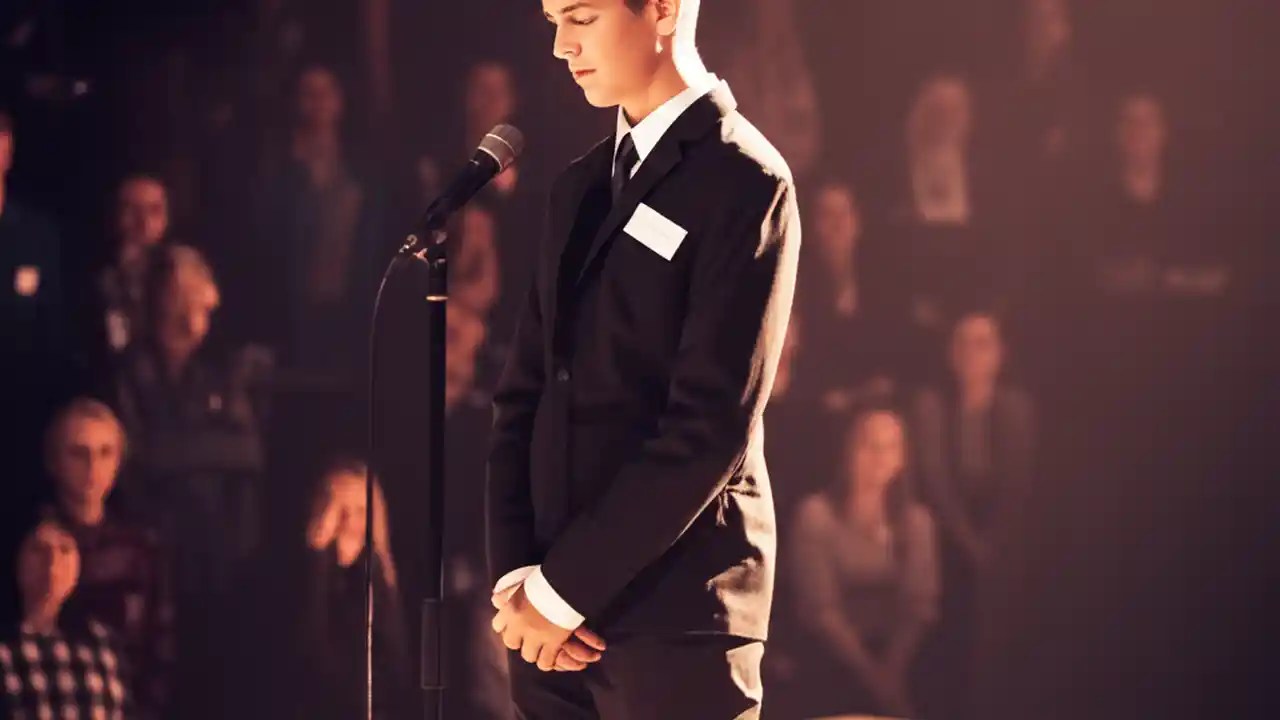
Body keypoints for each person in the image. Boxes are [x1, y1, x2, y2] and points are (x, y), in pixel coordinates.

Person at [486, 1, 800, 716]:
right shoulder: (578, 187)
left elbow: (708, 428)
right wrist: (517, 584)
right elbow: (522, 399)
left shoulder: (745, 180)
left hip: (676, 617)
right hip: (544, 625)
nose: (563, 46)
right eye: (552, 22)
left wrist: (562, 590)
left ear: (660, 9)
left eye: (582, 17)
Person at [912, 310, 1035, 720]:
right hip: (947, 532)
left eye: (983, 343)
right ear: (950, 353)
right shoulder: (932, 405)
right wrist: (969, 541)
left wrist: (993, 543)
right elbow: (933, 481)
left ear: (1001, 354)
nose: (972, 353)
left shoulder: (1016, 408)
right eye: (963, 342)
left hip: (1000, 532)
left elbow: (1018, 485)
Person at [788, 406, 939, 718]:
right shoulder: (816, 515)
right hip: (831, 662)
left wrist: (892, 671)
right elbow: (821, 611)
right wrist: (874, 677)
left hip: (900, 663)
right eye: (869, 444)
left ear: (903, 457)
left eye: (890, 446)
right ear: (849, 450)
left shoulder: (916, 522)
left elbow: (919, 605)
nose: (879, 455)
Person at [45, 398, 175, 718]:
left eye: (105, 453)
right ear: (54, 461)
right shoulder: (35, 545)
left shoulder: (142, 547)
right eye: (79, 453)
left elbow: (161, 647)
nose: (93, 469)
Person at [0, 510, 133, 718]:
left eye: (65, 550)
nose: (52, 565)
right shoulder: (7, 646)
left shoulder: (101, 644)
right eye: (38, 550)